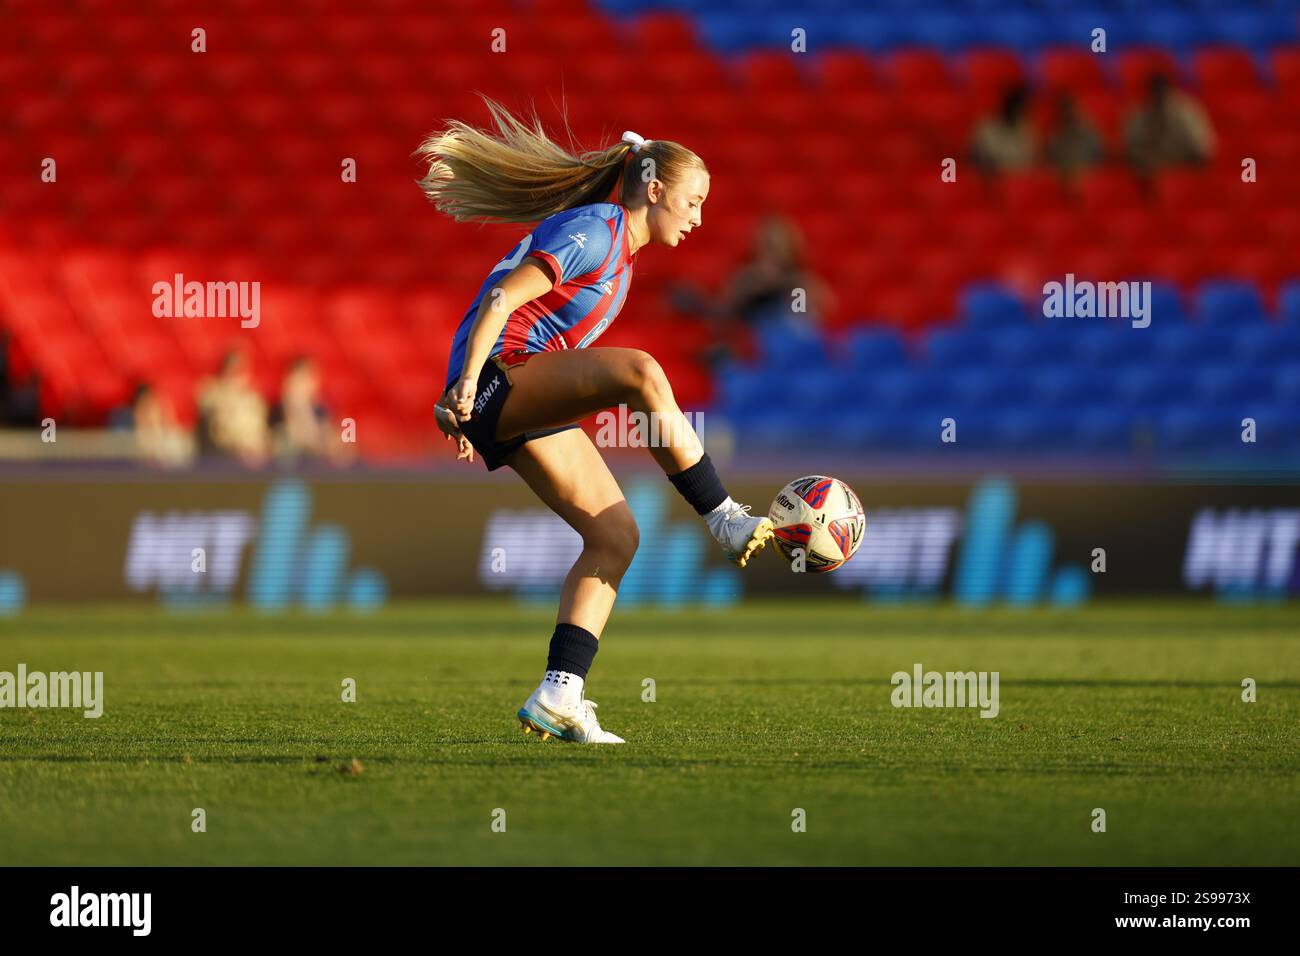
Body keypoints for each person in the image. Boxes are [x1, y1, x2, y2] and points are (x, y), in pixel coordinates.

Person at [417, 97, 775, 745]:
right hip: (502, 374)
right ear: (655, 187)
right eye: (692, 202)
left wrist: (474, 404)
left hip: (512, 390)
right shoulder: (598, 231)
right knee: (640, 371)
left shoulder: (618, 247)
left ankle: (561, 694)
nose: (698, 218)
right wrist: (470, 387)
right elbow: (502, 297)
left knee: (616, 537)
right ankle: (723, 517)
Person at [670, 214, 835, 367]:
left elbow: (807, 320)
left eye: (775, 245)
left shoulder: (802, 282)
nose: (770, 252)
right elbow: (723, 317)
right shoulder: (745, 279)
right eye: (766, 245)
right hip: (753, 353)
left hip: (790, 349)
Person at [1123, 73, 1215, 176]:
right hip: (1151, 171)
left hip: (1184, 168)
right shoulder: (1138, 114)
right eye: (1156, 93)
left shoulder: (1188, 111)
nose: (1160, 98)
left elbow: (1203, 150)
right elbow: (1131, 150)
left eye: (1162, 93)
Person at [196, 349, 269, 466]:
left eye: (239, 371)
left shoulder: (252, 399)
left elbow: (261, 428)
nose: (234, 376)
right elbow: (219, 431)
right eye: (231, 370)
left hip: (253, 450)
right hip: (227, 450)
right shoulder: (212, 392)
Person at [971, 84, 1037, 173]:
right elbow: (982, 162)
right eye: (1016, 109)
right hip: (992, 179)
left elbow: (1029, 164)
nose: (1020, 114)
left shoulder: (1027, 131)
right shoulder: (987, 128)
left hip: (1018, 181)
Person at [1044, 91, 1103, 181]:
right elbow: (1051, 168)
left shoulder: (1089, 135)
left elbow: (1100, 161)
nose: (1068, 114)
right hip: (1063, 182)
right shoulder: (1054, 139)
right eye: (1064, 111)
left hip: (1089, 179)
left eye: (1070, 110)